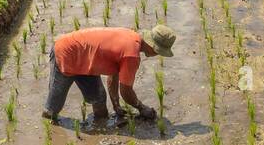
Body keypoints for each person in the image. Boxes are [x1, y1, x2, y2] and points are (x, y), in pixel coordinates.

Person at [43, 24, 176, 129]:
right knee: (53, 107)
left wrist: (116, 105)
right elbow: (126, 91)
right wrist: (141, 107)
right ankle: (49, 128)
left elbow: (113, 74)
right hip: (65, 53)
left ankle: (99, 126)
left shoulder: (132, 36)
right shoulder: (131, 54)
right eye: (159, 52)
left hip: (85, 58)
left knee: (99, 98)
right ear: (153, 46)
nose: (158, 54)